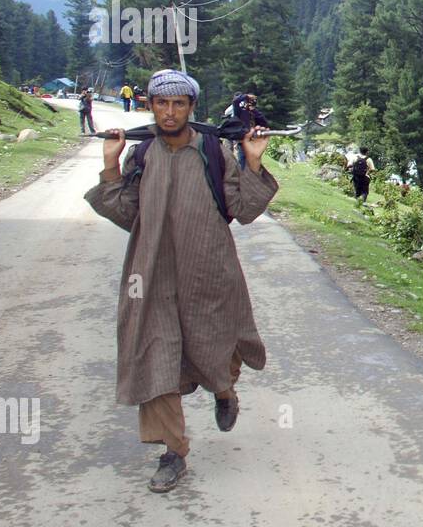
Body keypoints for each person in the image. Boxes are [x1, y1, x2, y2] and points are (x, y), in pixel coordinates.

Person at [83, 68, 280, 493]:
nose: (169, 112)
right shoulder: (143, 155)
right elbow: (125, 215)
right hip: (151, 273)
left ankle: (224, 390)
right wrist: (111, 166)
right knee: (154, 354)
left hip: (209, 269)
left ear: (191, 108)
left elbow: (243, 210)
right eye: (161, 103)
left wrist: (253, 160)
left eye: (179, 104)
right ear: (149, 105)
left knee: (214, 343)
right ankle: (172, 453)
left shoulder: (212, 152)